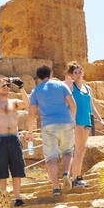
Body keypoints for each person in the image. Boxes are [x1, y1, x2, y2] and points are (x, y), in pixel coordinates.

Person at [27, 65, 77, 196]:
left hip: (48, 125)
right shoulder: (61, 86)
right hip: (65, 121)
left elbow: (31, 113)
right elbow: (72, 104)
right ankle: (66, 173)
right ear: (51, 73)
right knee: (68, 151)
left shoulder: (35, 91)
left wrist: (30, 131)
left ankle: (55, 187)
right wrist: (72, 120)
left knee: (51, 158)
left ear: (38, 77)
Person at [0, 77, 30, 206]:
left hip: (14, 138)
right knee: (1, 171)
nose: (6, 87)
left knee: (17, 169)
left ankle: (17, 198)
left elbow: (27, 103)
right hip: (1, 140)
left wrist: (21, 88)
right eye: (3, 85)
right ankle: (3, 197)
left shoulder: (14, 102)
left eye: (8, 85)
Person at [66, 62, 104, 187]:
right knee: (78, 150)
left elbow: (92, 106)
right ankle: (74, 178)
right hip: (76, 122)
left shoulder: (88, 88)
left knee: (82, 150)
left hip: (87, 121)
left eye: (79, 72)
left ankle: (77, 177)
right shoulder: (71, 87)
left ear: (83, 72)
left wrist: (100, 119)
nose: (78, 75)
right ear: (72, 75)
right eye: (75, 73)